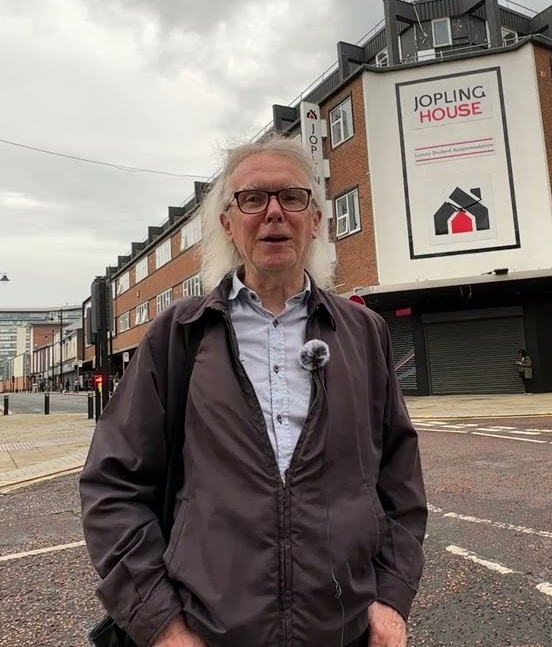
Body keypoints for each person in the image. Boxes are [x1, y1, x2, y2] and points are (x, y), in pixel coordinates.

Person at [79, 135, 428, 647]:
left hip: (342, 632)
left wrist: (391, 597)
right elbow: (114, 486)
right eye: (252, 198)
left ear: (315, 220)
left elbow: (398, 477)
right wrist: (163, 627)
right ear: (227, 222)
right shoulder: (180, 334)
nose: (273, 213)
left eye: (292, 197)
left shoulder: (363, 332)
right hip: (207, 632)